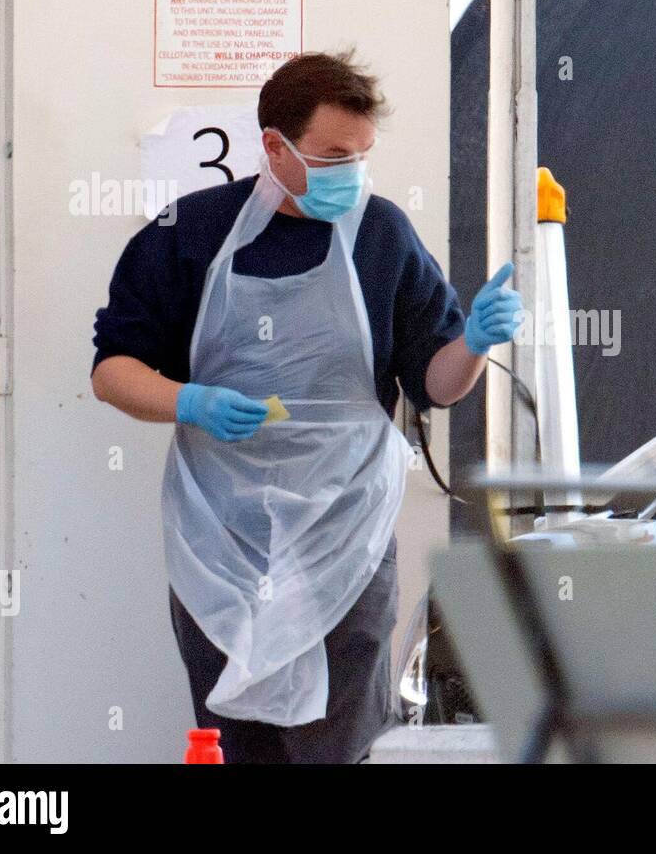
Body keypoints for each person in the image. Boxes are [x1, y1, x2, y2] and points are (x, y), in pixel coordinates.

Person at [91, 51, 522, 763]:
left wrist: (473, 341)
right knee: (232, 742)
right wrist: (189, 401)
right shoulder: (190, 234)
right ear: (273, 147)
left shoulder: (382, 235)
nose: (349, 174)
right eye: (330, 157)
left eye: (361, 157)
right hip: (220, 539)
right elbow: (114, 371)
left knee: (342, 743)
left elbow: (436, 385)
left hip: (344, 537)